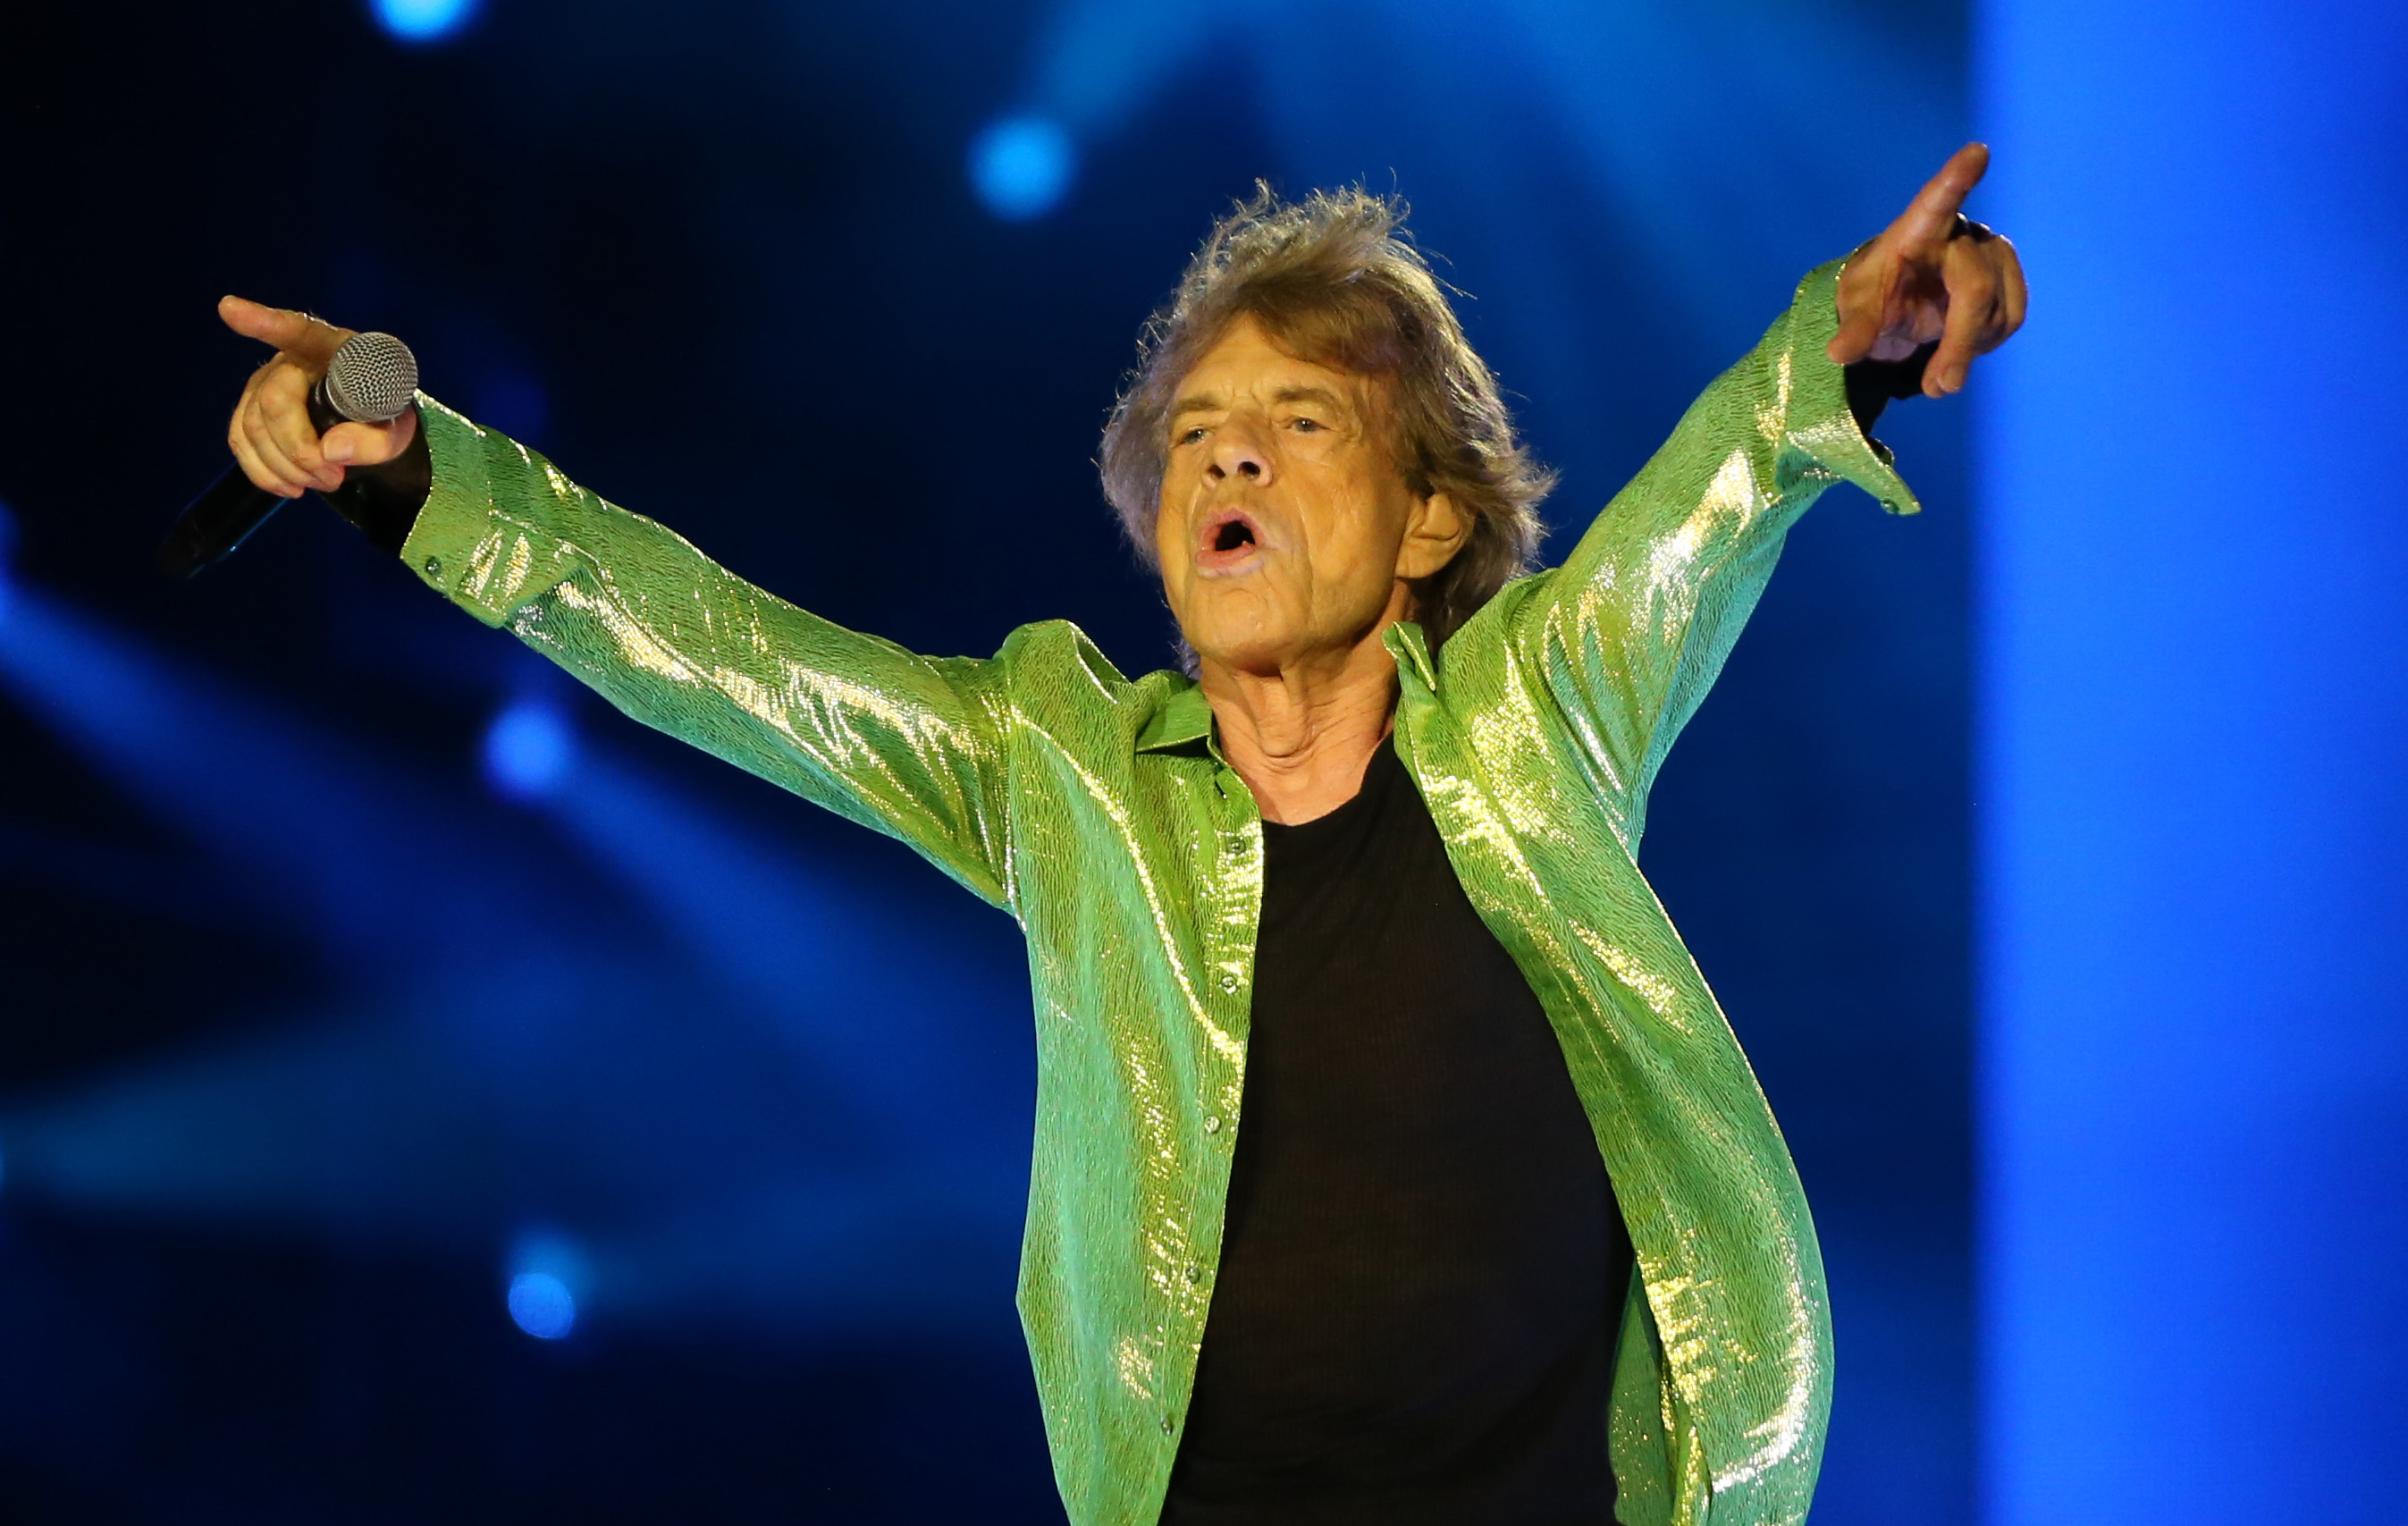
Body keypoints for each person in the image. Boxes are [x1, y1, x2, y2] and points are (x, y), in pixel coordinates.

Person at [215, 143, 2023, 1526]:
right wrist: (422, 467)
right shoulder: (1064, 769)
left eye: (1300, 423)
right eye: (1199, 436)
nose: (1227, 459)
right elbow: (730, 656)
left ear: (1425, 523)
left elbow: (1705, 509)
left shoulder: (1533, 718)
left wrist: (1841, 350)